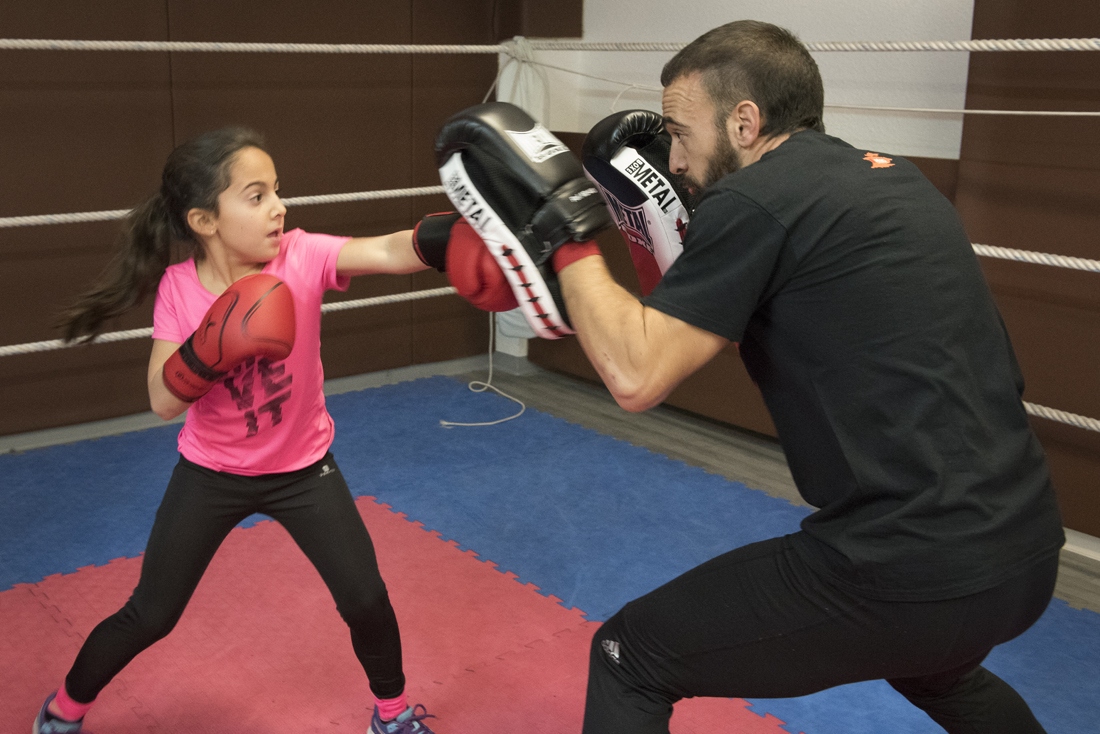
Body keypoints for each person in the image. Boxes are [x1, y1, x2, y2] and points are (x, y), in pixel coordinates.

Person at [435, 19, 1066, 734]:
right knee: (938, 671)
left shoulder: (755, 199)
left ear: (745, 121)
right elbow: (769, 333)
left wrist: (564, 228)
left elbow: (636, 378)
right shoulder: (892, 182)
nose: (671, 158)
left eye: (680, 131)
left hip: (906, 567)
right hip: (1024, 552)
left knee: (628, 655)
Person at [34, 126, 469, 734]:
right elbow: (161, 399)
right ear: (205, 220)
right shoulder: (180, 289)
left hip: (304, 471)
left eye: (278, 192)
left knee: (365, 597)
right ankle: (64, 709)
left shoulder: (300, 254)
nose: (279, 208)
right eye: (257, 196)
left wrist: (459, 233)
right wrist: (212, 347)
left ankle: (392, 717)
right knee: (151, 614)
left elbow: (388, 250)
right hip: (212, 474)